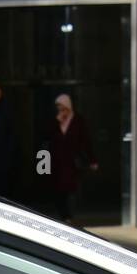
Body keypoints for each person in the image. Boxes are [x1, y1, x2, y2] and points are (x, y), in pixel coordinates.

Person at [46, 93, 97, 224]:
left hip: (72, 161)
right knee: (58, 190)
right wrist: (57, 122)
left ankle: (70, 215)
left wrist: (92, 159)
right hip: (57, 161)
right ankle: (64, 215)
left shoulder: (78, 120)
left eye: (63, 108)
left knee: (70, 188)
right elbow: (47, 137)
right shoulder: (54, 121)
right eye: (59, 108)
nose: (62, 111)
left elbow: (86, 140)